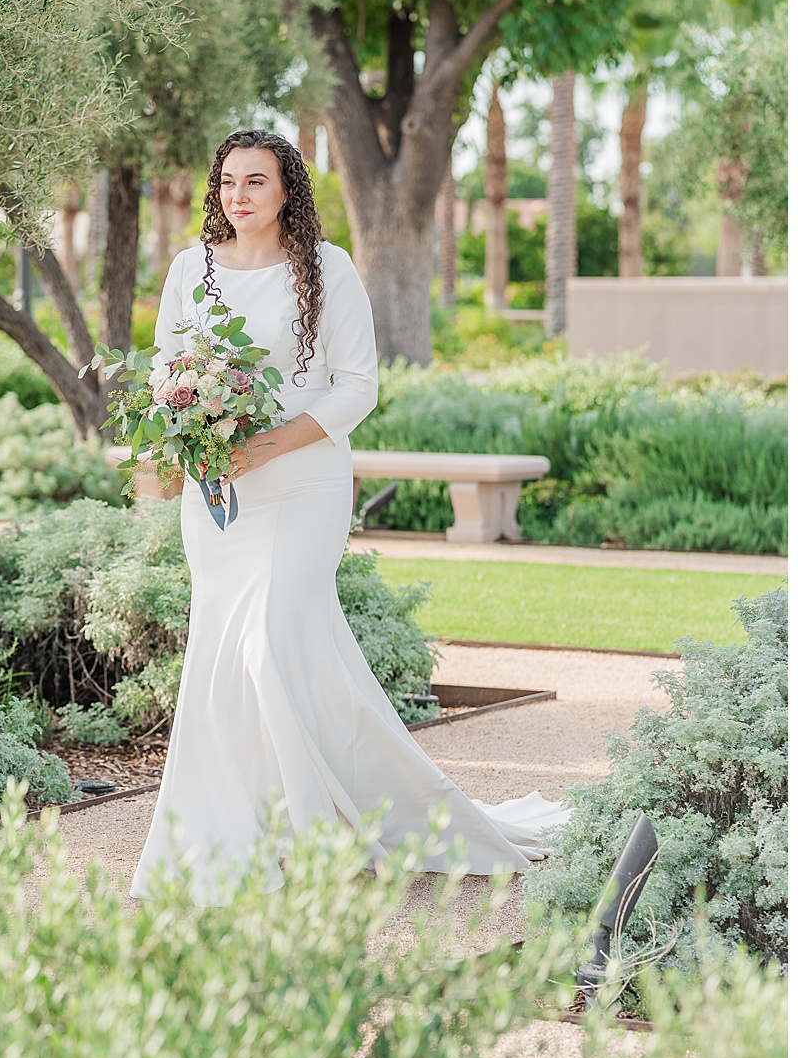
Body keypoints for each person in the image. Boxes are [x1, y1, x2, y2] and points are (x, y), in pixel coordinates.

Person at [130, 129, 567, 902]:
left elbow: (356, 385)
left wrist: (266, 446)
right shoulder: (187, 271)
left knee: (270, 640)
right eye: (228, 181)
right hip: (219, 494)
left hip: (301, 482)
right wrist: (174, 447)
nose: (239, 195)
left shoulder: (325, 269)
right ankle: (234, 831)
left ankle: (313, 831)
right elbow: (167, 374)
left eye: (256, 182)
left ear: (288, 190)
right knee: (230, 655)